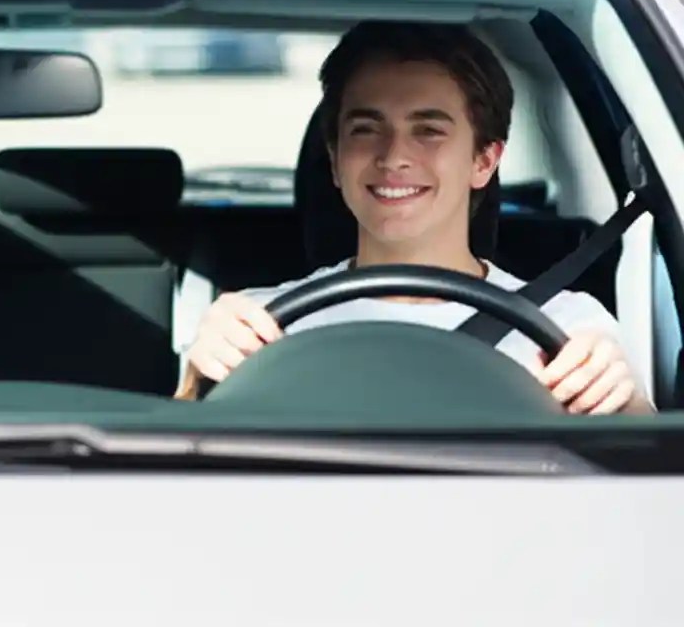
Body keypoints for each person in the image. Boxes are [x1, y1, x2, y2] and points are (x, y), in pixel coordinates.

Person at [176, 21, 654, 415]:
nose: (394, 156)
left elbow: (649, 485)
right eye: (366, 129)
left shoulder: (569, 328)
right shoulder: (257, 327)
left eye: (428, 131)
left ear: (483, 161)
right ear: (336, 159)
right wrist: (197, 383)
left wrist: (625, 402)